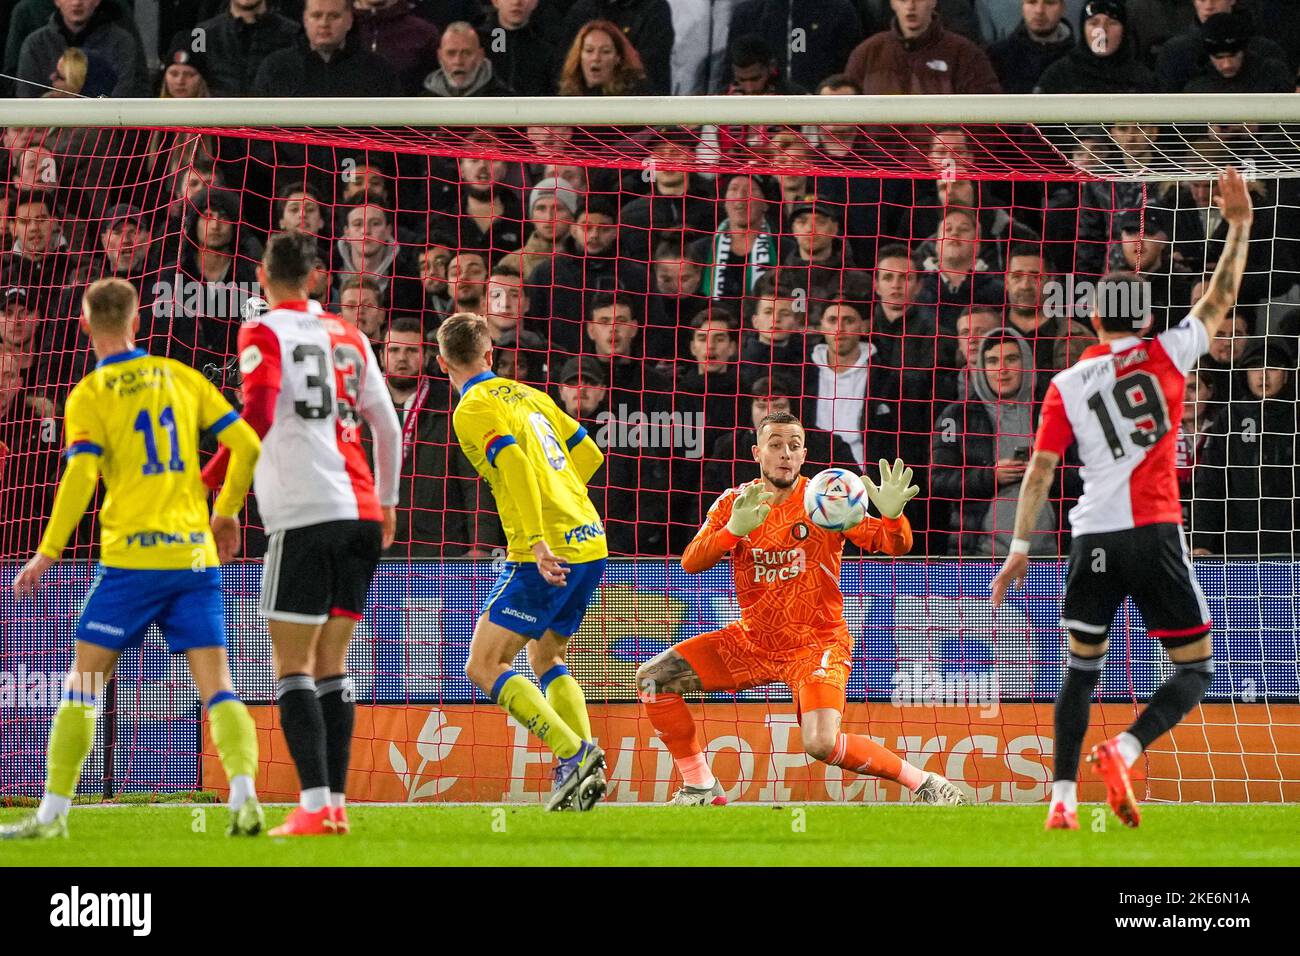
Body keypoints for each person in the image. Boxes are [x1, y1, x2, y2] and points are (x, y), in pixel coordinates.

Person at [991, 166, 1254, 831]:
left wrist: (1020, 547)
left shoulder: (1066, 383)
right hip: (1156, 533)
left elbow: (1041, 473)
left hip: (1092, 541)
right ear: (1145, 316)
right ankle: (1127, 747)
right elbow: (1221, 297)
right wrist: (1241, 223)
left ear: (1090, 317)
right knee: (1195, 670)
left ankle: (1060, 799)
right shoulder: (1169, 355)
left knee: (1080, 672)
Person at [2, 277, 264, 839]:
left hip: (130, 561)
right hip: (194, 557)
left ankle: (51, 815)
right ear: (138, 320)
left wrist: (48, 552)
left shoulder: (89, 394)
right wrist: (227, 511)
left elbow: (80, 472)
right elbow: (247, 444)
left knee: (85, 681)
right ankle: (244, 797)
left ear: (82, 321)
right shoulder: (182, 376)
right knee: (217, 684)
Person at [636, 412, 967, 806]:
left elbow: (893, 546)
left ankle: (925, 783)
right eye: (776, 444)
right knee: (653, 679)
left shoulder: (825, 501)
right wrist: (733, 531)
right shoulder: (734, 503)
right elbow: (690, 561)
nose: (785, 454)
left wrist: (893, 517)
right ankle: (700, 786)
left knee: (820, 742)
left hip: (815, 643)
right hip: (753, 641)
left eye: (794, 446)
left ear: (804, 454)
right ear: (758, 452)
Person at [201, 233, 402, 837]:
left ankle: (315, 805)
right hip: (362, 512)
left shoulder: (262, 332)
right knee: (331, 665)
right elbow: (387, 427)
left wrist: (220, 494)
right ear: (317, 277)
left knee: (290, 666)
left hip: (305, 512)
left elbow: (257, 416)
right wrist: (388, 504)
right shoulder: (351, 335)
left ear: (262, 275)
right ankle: (334, 805)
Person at [436, 310, 610, 811]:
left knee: (484, 663)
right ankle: (584, 773)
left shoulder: (471, 408)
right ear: (491, 353)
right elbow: (590, 456)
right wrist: (562, 499)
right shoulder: (531, 395)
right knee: (545, 656)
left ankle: (571, 753)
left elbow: (511, 461)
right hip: (590, 540)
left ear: (443, 361)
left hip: (547, 549)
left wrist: (537, 538)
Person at [844, 0, 1002, 95]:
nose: (910, 6)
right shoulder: (867, 53)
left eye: (918, 0)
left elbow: (988, 115)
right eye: (903, 0)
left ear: (933, 2)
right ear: (893, 3)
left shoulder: (964, 54)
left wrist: (953, 143)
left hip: (944, 150)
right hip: (877, 152)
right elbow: (846, 111)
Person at [986, 0, 1076, 94]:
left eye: (1049, 3)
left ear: (1063, 8)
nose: (1039, 10)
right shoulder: (996, 57)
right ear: (1022, 6)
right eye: (1032, 2)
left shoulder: (1079, 60)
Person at [421, 20, 516, 96]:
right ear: (440, 56)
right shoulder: (423, 103)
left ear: (480, 56)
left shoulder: (504, 101)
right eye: (451, 53)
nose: (458, 61)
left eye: (466, 53)